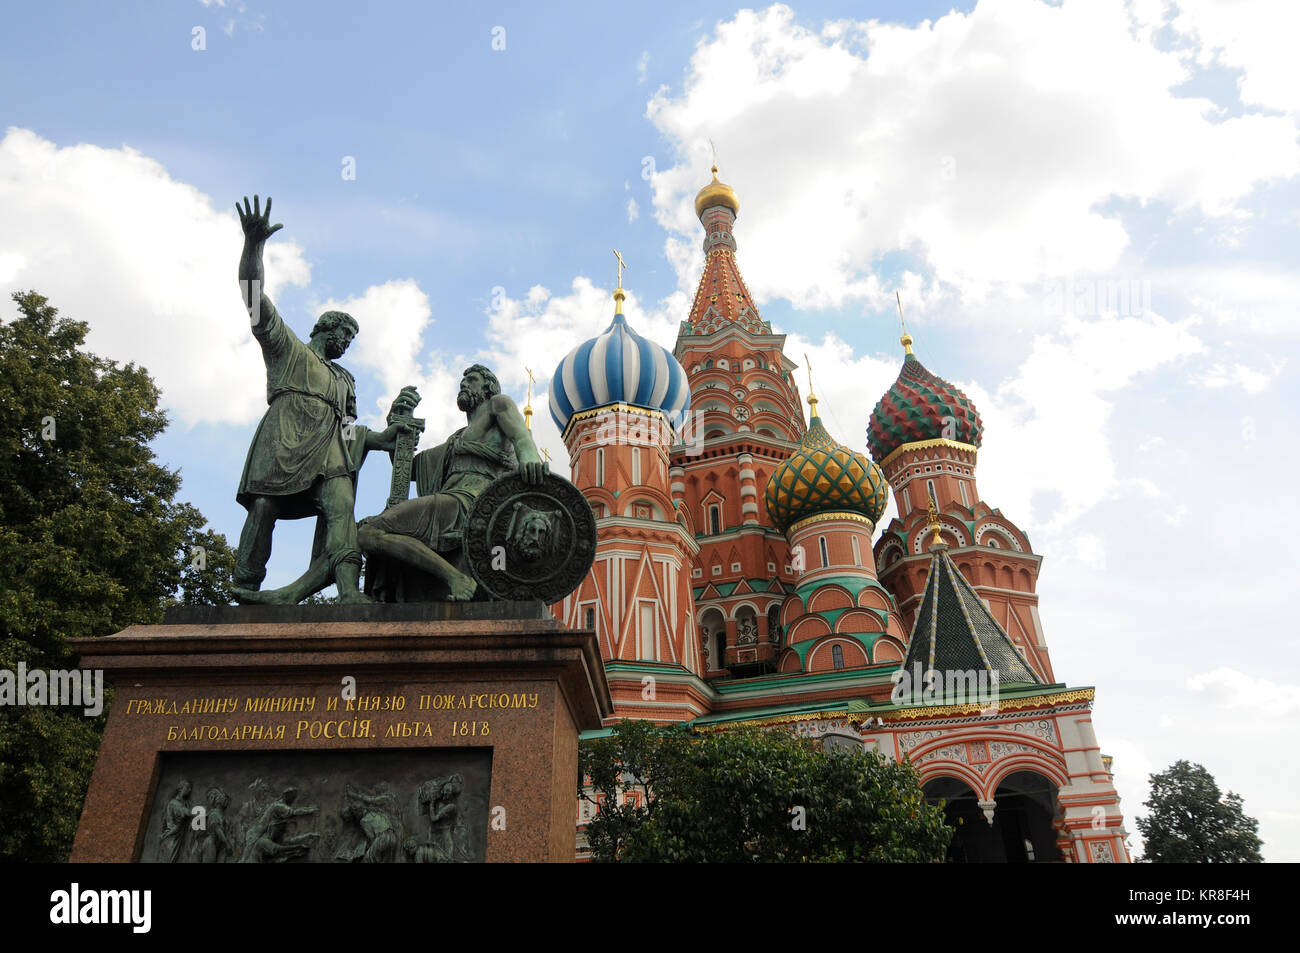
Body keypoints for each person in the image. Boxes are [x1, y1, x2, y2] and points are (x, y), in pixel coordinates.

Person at [229, 195, 414, 604]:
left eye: (351, 339)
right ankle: (246, 586)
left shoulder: (344, 380)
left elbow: (349, 429)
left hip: (329, 456)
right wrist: (254, 245)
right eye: (343, 335)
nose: (347, 343)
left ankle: (349, 592)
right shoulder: (288, 350)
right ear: (324, 328)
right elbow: (253, 297)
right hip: (282, 442)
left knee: (341, 510)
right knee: (263, 510)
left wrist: (382, 438)